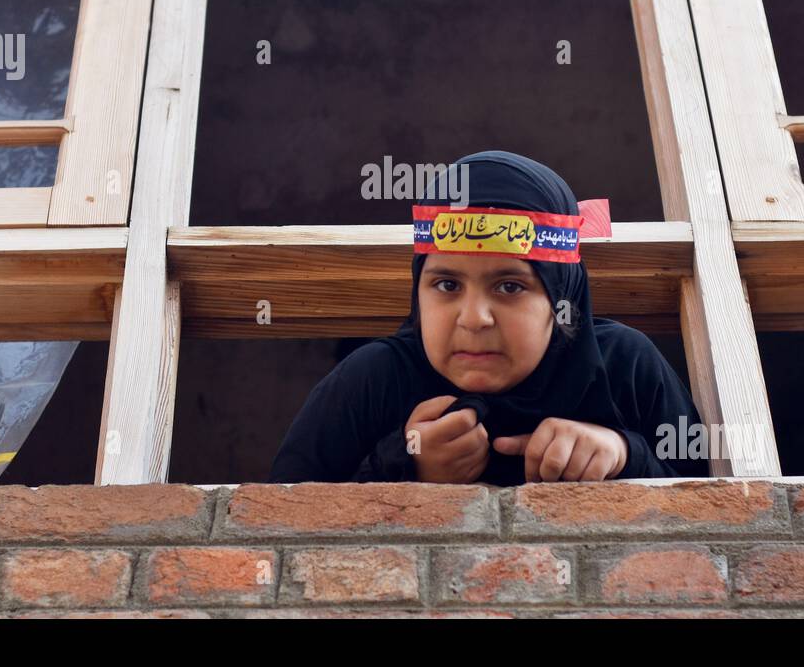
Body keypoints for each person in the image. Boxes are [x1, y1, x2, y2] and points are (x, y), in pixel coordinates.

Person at [267, 150, 708, 485]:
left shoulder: (624, 366)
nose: (475, 318)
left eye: (510, 287)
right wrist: (404, 463)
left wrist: (623, 454)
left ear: (561, 299)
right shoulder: (375, 379)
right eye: (446, 285)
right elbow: (271, 518)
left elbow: (714, 509)